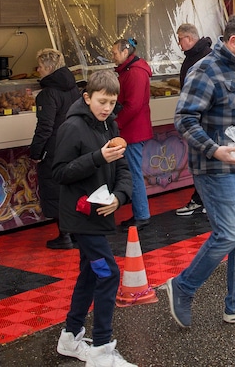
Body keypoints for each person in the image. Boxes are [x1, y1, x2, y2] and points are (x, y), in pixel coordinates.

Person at [165, 14, 235, 328]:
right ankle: (183, 287)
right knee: (229, 234)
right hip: (215, 169)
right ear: (233, 41)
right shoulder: (205, 70)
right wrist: (215, 149)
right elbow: (184, 120)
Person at [51, 70, 137, 367]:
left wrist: (120, 198)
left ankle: (71, 335)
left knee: (91, 272)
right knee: (108, 273)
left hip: (100, 213)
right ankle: (101, 349)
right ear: (87, 98)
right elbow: (59, 173)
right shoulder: (72, 128)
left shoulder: (110, 125)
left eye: (112, 103)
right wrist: (98, 158)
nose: (107, 108)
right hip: (80, 216)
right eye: (102, 102)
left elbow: (124, 169)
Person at [30, 48, 82, 250]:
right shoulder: (72, 88)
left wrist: (36, 152)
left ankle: (64, 235)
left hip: (54, 148)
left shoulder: (47, 94)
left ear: (50, 68)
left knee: (55, 190)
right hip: (73, 145)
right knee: (72, 190)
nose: (38, 70)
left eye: (41, 67)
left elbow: (45, 127)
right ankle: (77, 234)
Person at [111, 38, 153, 229]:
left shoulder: (135, 73)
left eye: (115, 53)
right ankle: (139, 213)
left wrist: (116, 123)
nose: (113, 56)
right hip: (132, 129)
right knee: (131, 172)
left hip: (132, 131)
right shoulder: (131, 71)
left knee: (133, 173)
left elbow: (133, 105)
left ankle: (142, 215)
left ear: (125, 52)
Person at [176, 24, 213, 217]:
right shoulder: (194, 57)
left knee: (205, 160)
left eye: (180, 39)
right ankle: (201, 198)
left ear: (189, 38)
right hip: (195, 116)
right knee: (198, 162)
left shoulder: (205, 57)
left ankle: (207, 199)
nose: (179, 44)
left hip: (202, 118)